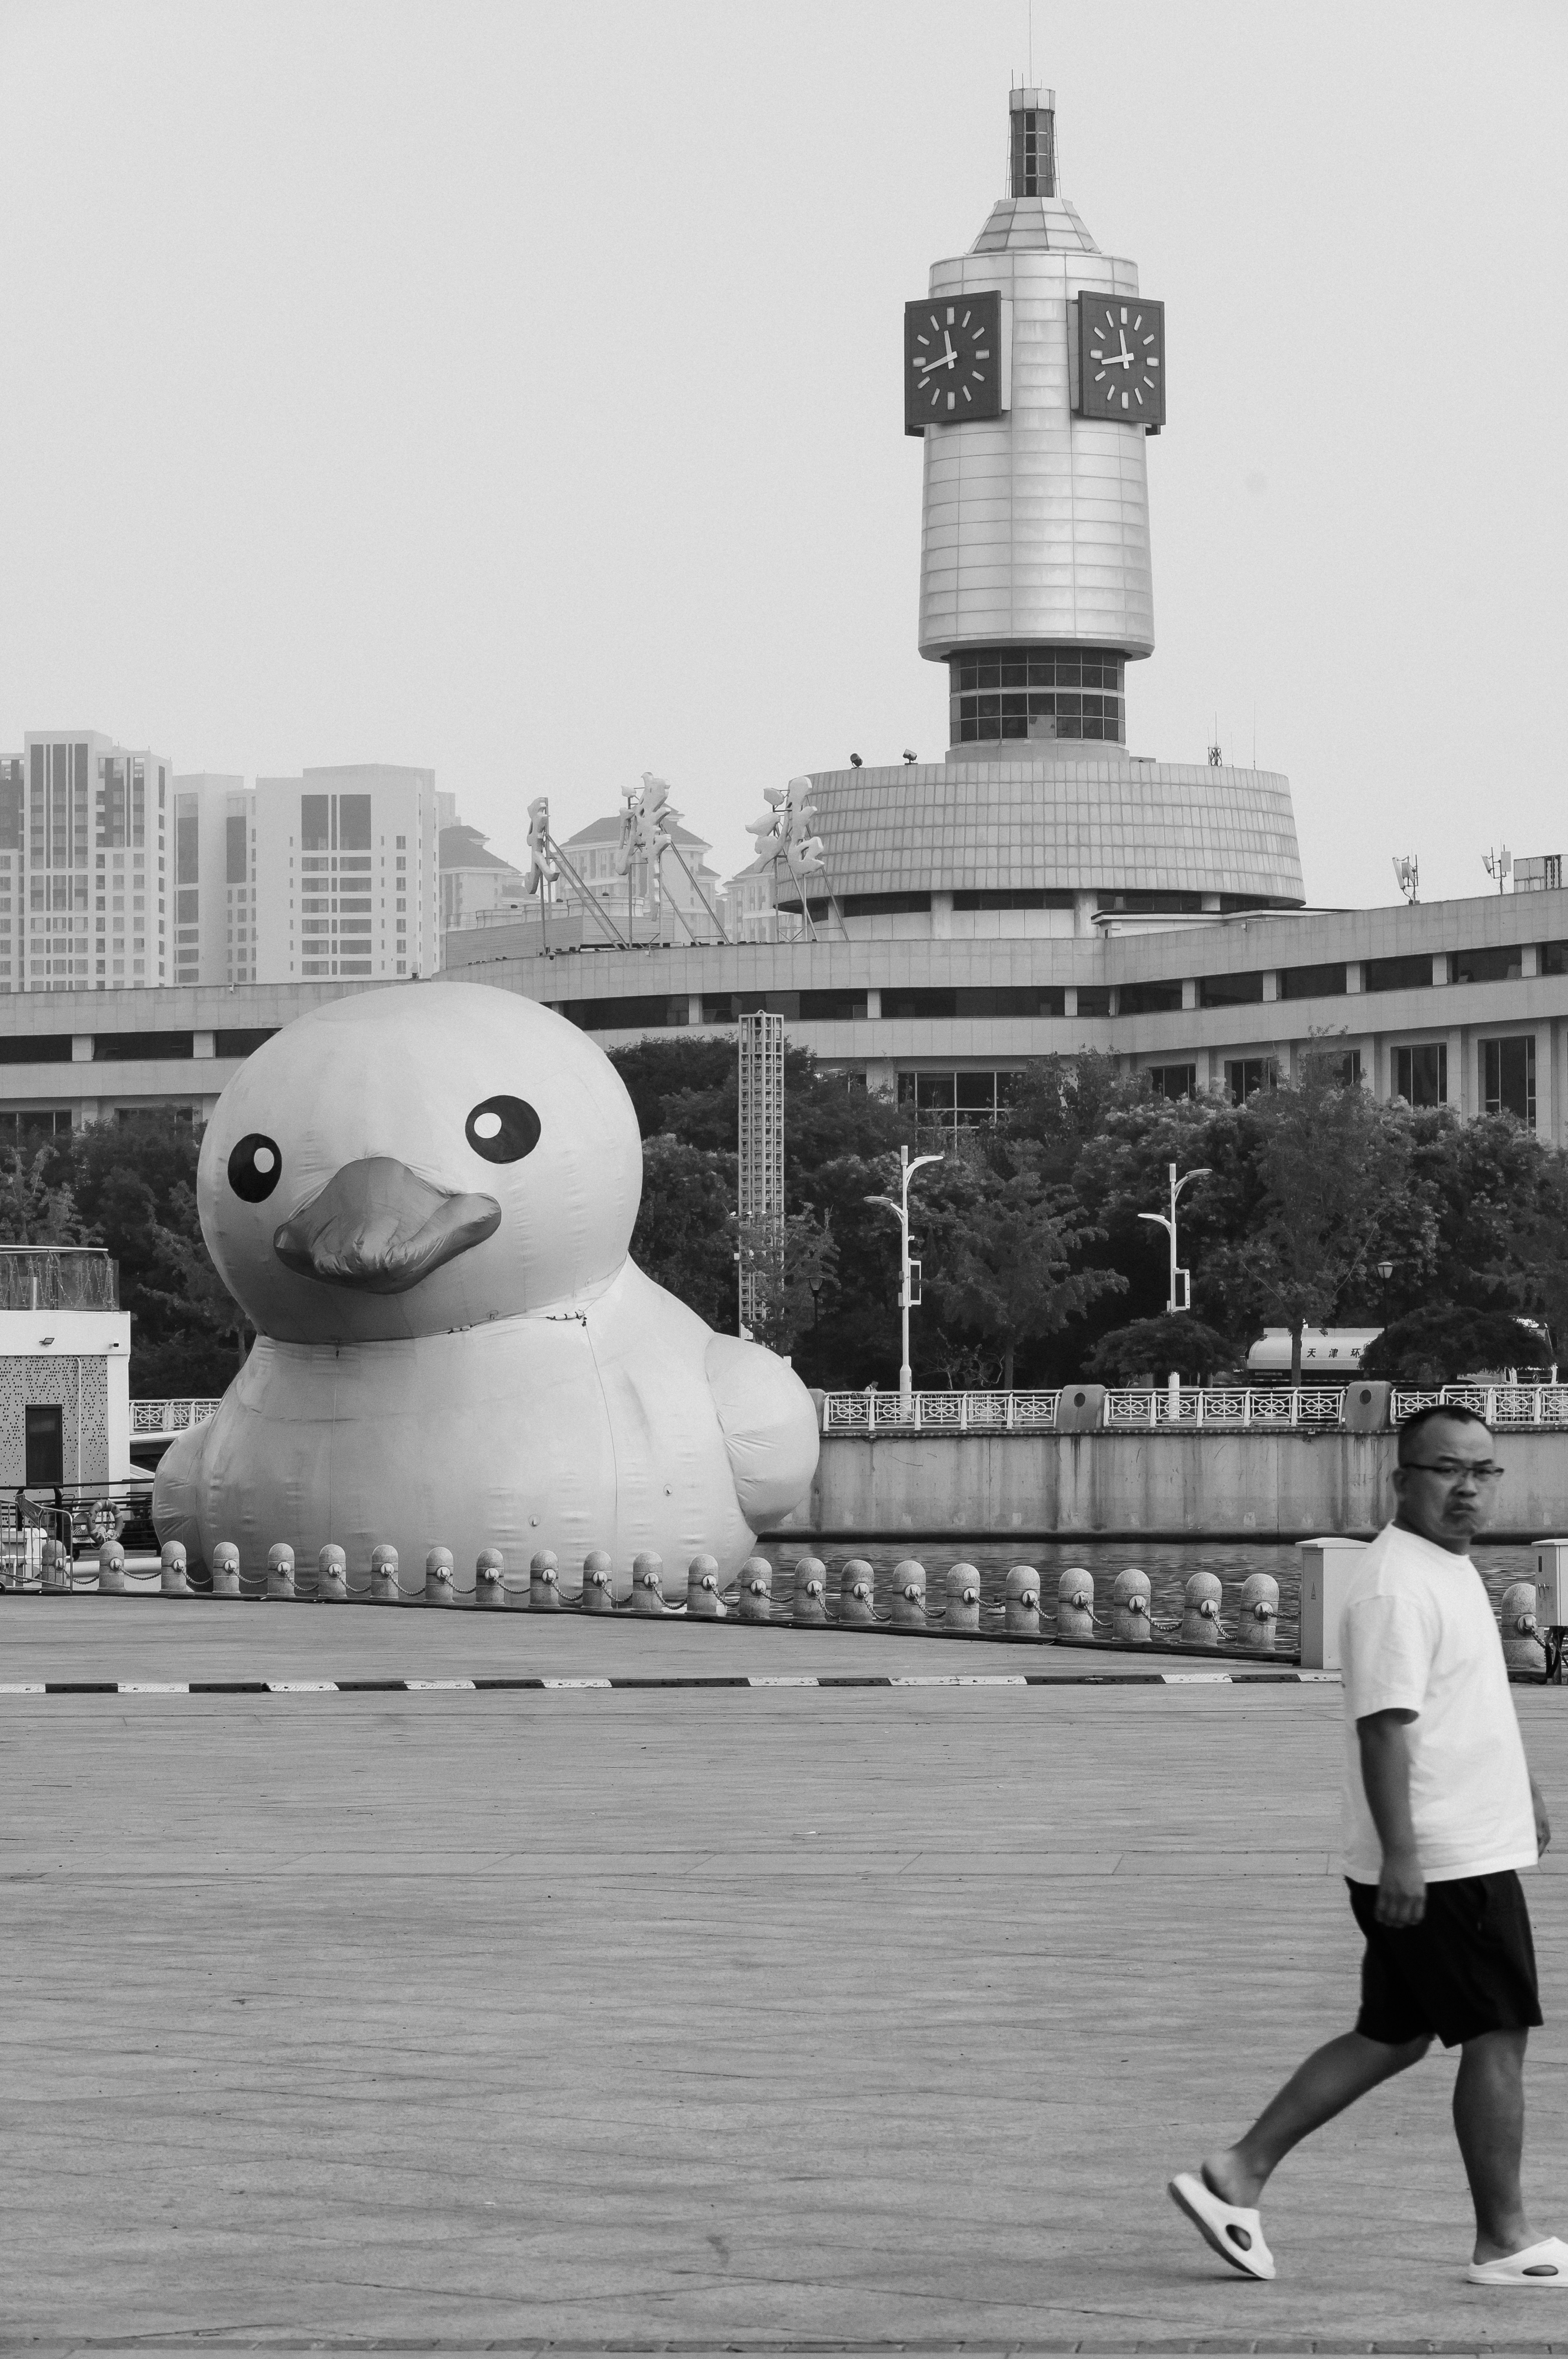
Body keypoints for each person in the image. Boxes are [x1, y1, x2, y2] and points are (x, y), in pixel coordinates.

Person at [1170, 1401, 1562, 2287]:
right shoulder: (1393, 1583)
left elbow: (1463, 1702)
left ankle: (1234, 2174)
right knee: (1495, 2034)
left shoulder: (1447, 1565)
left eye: (1482, 1470)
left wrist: (1523, 1784)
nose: (1466, 1488)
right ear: (1401, 1478)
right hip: (1441, 1858)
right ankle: (1504, 2239)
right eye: (1444, 1469)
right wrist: (1402, 1858)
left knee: (1394, 2032)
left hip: (1458, 1843)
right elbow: (1383, 1728)